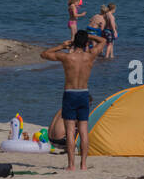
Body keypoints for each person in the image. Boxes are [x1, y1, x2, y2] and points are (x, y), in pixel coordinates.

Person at [40, 31, 104, 170]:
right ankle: (84, 165)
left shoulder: (66, 57)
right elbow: (103, 41)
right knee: (83, 130)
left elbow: (44, 54)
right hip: (83, 94)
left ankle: (71, 165)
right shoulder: (91, 56)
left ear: (74, 43)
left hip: (70, 94)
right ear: (86, 43)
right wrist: (90, 36)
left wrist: (61, 46)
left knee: (70, 131)